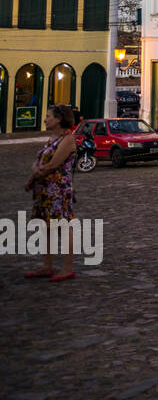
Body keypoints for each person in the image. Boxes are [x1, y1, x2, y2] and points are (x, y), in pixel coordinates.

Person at [24, 104, 80, 281]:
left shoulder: (68, 139)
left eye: (48, 116)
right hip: (45, 191)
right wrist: (35, 175)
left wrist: (34, 176)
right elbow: (38, 160)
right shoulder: (52, 139)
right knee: (47, 228)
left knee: (63, 227)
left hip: (58, 191)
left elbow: (52, 164)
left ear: (59, 119)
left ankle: (67, 268)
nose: (45, 119)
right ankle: (47, 266)